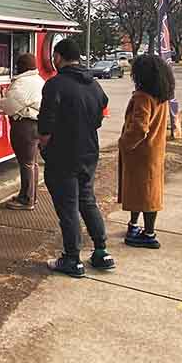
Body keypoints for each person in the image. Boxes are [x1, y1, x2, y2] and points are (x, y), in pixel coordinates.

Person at [38, 37, 115, 277]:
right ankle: (101, 251)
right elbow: (100, 115)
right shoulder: (94, 84)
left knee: (68, 207)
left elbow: (45, 126)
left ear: (58, 57)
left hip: (62, 155)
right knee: (87, 199)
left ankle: (72, 259)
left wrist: (44, 148)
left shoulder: (55, 85)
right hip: (89, 152)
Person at [119, 54, 174, 249]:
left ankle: (148, 233)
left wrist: (124, 143)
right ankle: (134, 225)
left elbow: (140, 127)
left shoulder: (143, 96)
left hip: (141, 153)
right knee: (142, 191)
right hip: (155, 151)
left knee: (146, 193)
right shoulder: (161, 96)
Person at [0, 53, 44, 210]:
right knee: (33, 163)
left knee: (26, 163)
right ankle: (30, 195)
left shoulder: (23, 82)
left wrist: (1, 100)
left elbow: (9, 105)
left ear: (22, 66)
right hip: (37, 124)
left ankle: (27, 200)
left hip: (24, 125)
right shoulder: (39, 80)